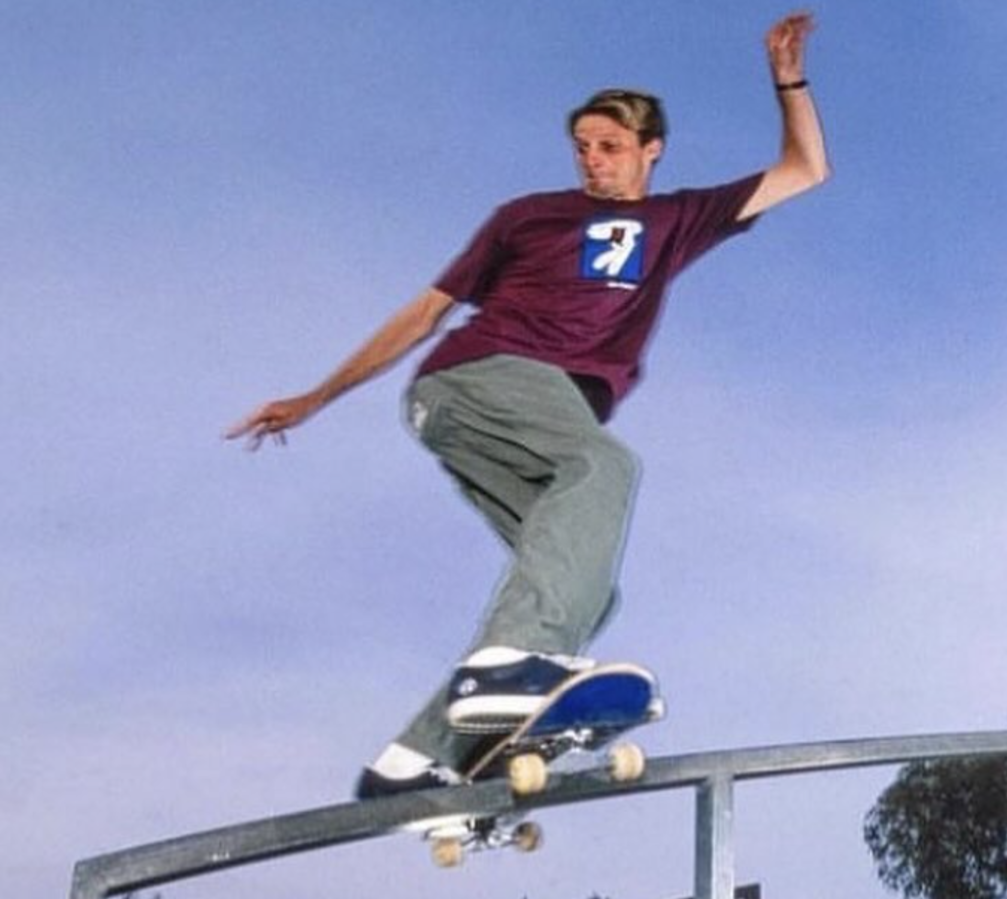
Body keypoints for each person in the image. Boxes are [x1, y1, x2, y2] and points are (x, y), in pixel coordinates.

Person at [226, 11, 830, 807]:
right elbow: (424, 314)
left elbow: (805, 168)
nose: (592, 161)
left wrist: (788, 79)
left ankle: (418, 758)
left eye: (609, 147)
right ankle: (507, 672)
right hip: (482, 377)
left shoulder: (678, 219)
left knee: (586, 588)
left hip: (521, 421)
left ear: (652, 150)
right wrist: (317, 396)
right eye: (582, 146)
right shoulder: (526, 216)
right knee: (602, 466)